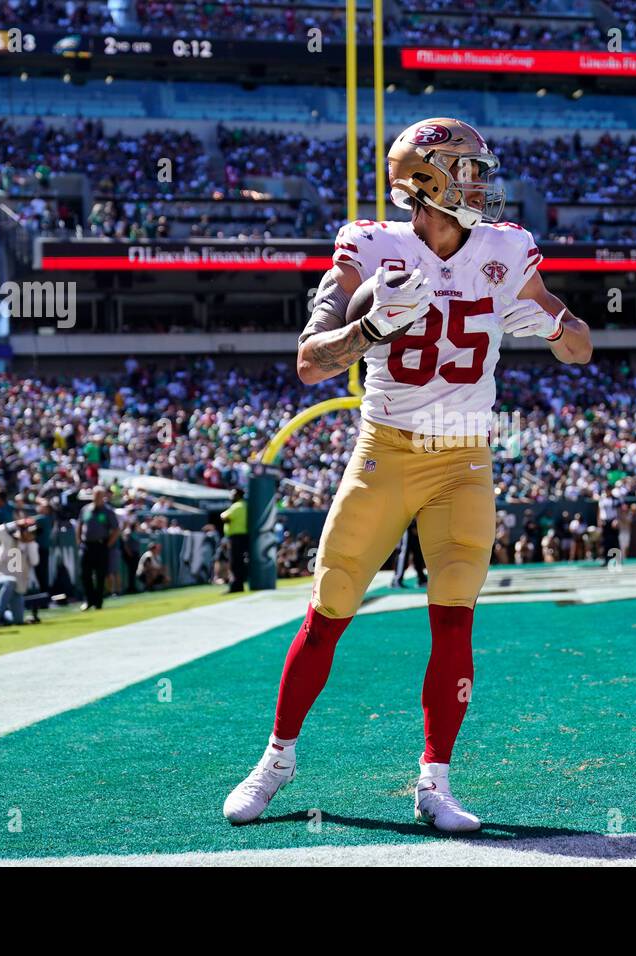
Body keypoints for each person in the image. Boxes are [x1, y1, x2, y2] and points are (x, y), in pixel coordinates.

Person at [223, 116, 593, 833]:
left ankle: (435, 782)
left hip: (466, 458)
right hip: (385, 450)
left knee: (455, 621)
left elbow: (579, 346)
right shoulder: (370, 245)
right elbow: (310, 362)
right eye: (468, 169)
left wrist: (551, 324)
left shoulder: (507, 251)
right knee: (329, 607)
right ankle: (275, 762)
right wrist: (369, 332)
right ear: (425, 179)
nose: (483, 184)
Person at [0, 516, 40, 626]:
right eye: (29, 530)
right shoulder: (9, 539)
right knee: (10, 581)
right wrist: (17, 523)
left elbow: (35, 561)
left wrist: (30, 543)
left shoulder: (31, 545)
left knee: (18, 620)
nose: (31, 534)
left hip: (17, 586)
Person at [77, 486, 119, 610]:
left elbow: (116, 529)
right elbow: (80, 525)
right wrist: (79, 540)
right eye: (95, 495)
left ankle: (98, 601)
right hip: (86, 545)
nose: (96, 498)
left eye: (99, 495)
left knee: (101, 575)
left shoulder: (108, 511)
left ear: (103, 497)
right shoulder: (86, 509)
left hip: (101, 545)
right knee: (85, 574)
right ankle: (89, 600)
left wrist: (108, 544)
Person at [220, 487, 249, 593]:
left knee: (235, 563)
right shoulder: (244, 505)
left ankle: (236, 586)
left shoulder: (237, 506)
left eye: (233, 494)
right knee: (238, 563)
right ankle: (239, 585)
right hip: (241, 537)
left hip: (236, 537)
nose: (231, 496)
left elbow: (224, 517)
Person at [391, 519, 427, 587]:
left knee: (418, 551)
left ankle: (421, 577)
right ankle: (397, 579)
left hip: (416, 521)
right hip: (406, 524)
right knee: (404, 552)